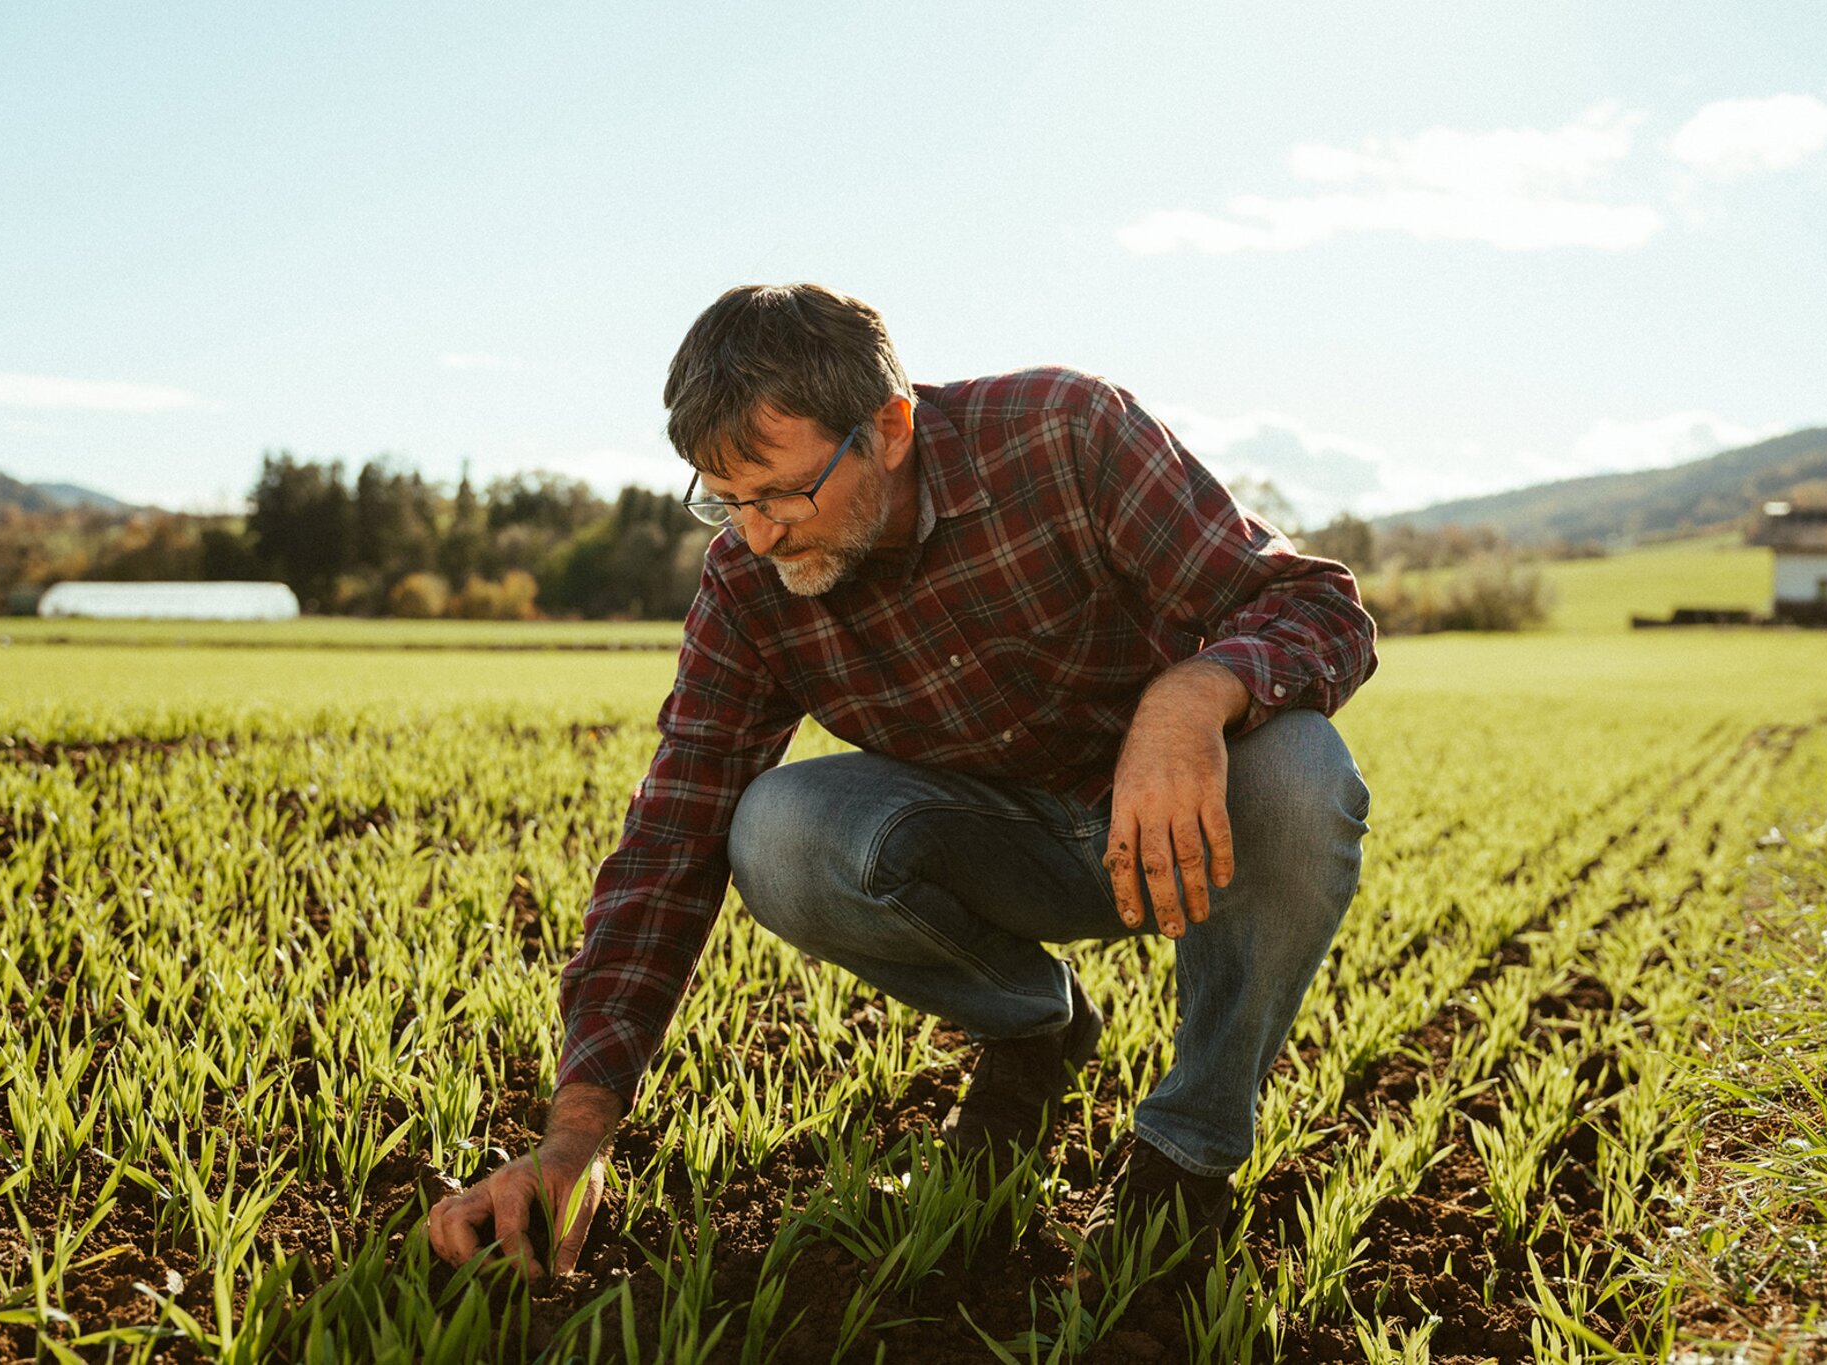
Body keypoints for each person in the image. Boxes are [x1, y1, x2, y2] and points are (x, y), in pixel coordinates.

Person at [427, 282, 1376, 1283]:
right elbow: (674, 830)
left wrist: (1193, 695)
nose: (757, 534)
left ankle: (1186, 1154)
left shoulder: (1062, 432)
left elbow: (1316, 606)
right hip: (998, 845)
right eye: (725, 499)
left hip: (1184, 830)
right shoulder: (748, 587)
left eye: (785, 492)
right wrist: (574, 1137)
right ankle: (1036, 1030)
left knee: (1298, 770)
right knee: (775, 831)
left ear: (888, 426)